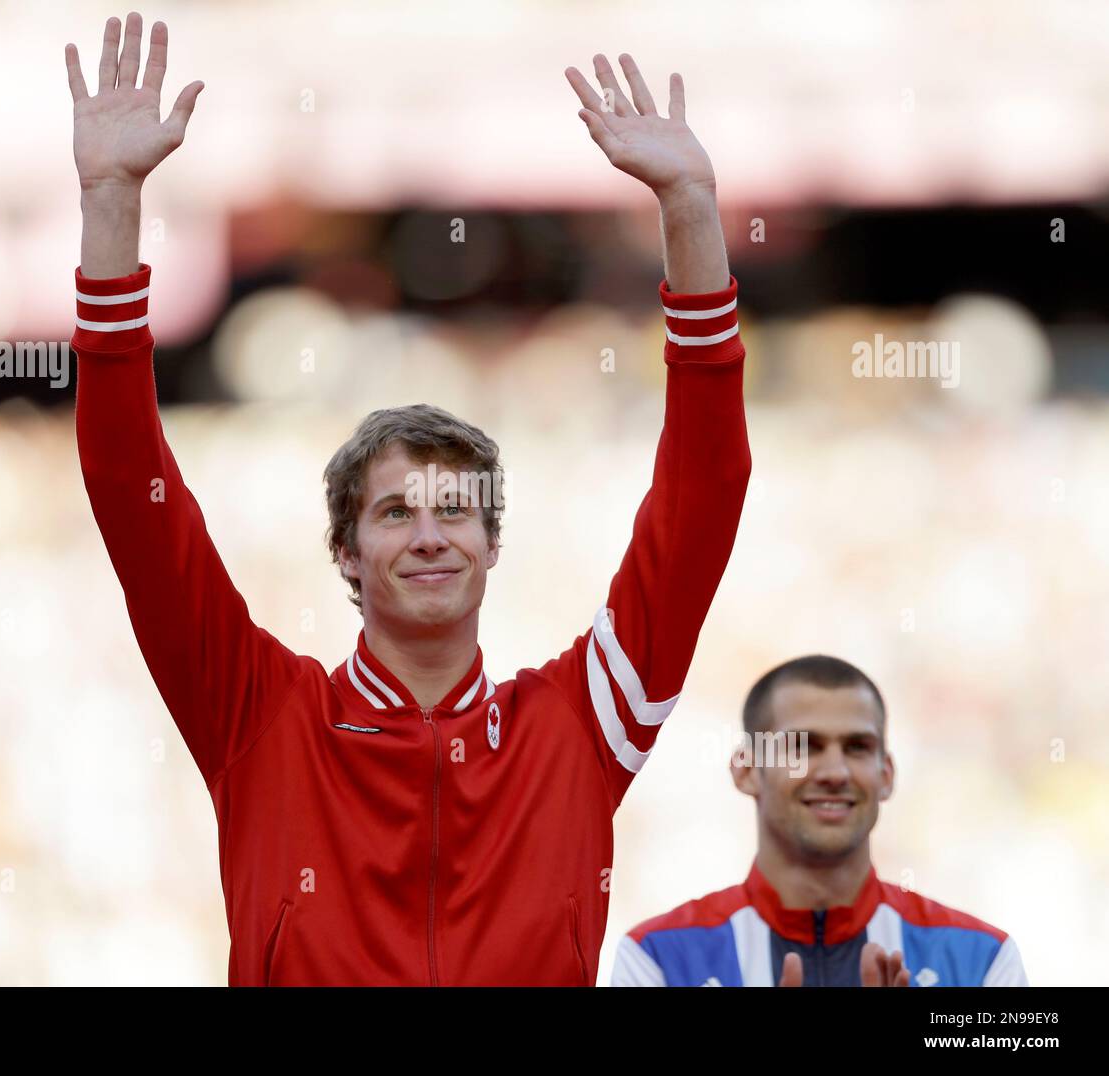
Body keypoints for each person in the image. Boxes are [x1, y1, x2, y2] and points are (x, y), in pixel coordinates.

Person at [65, 13, 750, 984]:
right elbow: (128, 489)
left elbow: (706, 493)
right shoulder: (258, 714)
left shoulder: (579, 723)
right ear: (344, 551)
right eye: (394, 511)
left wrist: (687, 208)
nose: (428, 534)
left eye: (454, 509)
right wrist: (110, 204)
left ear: (492, 542)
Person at [613, 655, 1028, 986]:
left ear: (887, 774)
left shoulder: (982, 960)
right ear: (746, 769)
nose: (835, 772)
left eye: (857, 747)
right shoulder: (658, 959)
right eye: (804, 746)